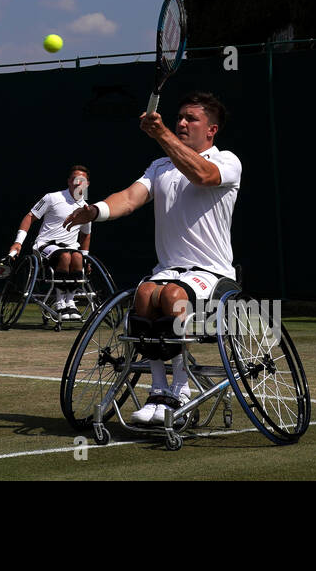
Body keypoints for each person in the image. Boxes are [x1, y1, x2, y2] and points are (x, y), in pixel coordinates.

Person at [64, 92, 241, 424]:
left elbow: (201, 175)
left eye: (192, 119)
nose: (182, 122)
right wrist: (96, 210)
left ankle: (182, 390)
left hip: (213, 274)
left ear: (212, 130)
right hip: (169, 270)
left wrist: (161, 134)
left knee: (172, 295)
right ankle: (158, 391)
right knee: (145, 294)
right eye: (180, 118)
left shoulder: (227, 161)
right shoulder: (160, 166)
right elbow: (130, 198)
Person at [7, 166, 93, 321]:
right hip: (45, 246)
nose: (78, 183)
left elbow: (86, 235)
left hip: (71, 249)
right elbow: (29, 217)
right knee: (65, 256)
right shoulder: (52, 197)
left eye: (82, 180)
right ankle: (60, 302)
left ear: (87, 184)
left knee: (77, 258)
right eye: (75, 179)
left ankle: (70, 302)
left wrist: (86, 258)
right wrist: (18, 242)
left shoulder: (86, 207)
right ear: (69, 182)